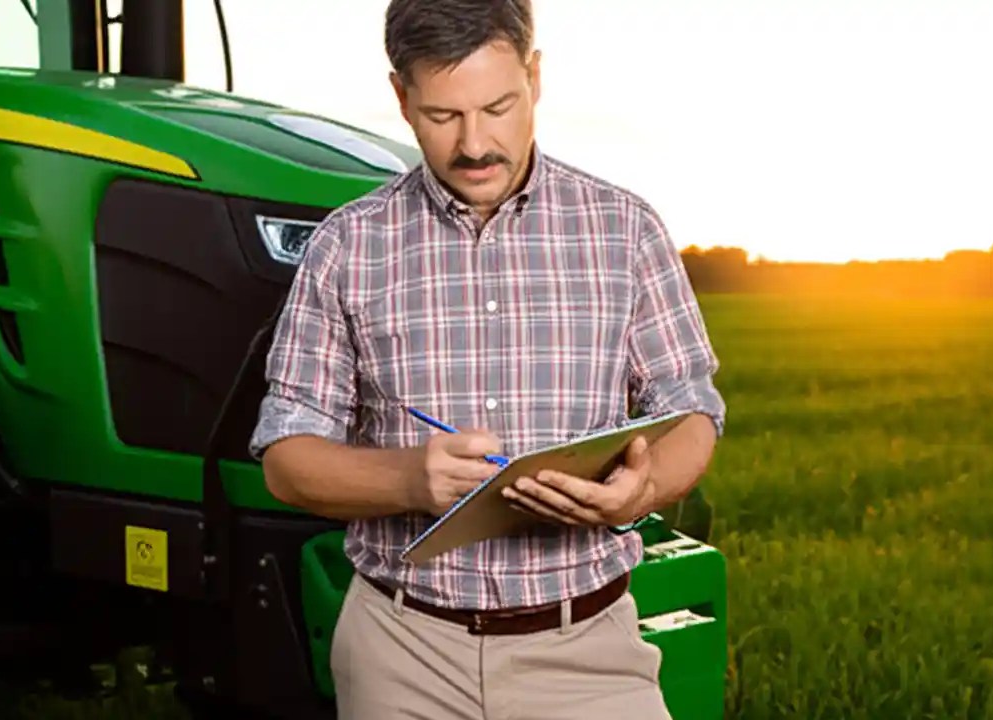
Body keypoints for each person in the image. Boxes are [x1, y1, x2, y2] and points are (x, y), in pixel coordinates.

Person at [248, 0, 726, 717]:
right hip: (400, 652)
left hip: (588, 651)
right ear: (401, 97)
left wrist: (642, 489)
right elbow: (286, 460)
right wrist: (409, 477)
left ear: (534, 77)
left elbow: (693, 413)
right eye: (443, 116)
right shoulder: (345, 248)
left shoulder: (624, 230)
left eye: (498, 107)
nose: (474, 144)